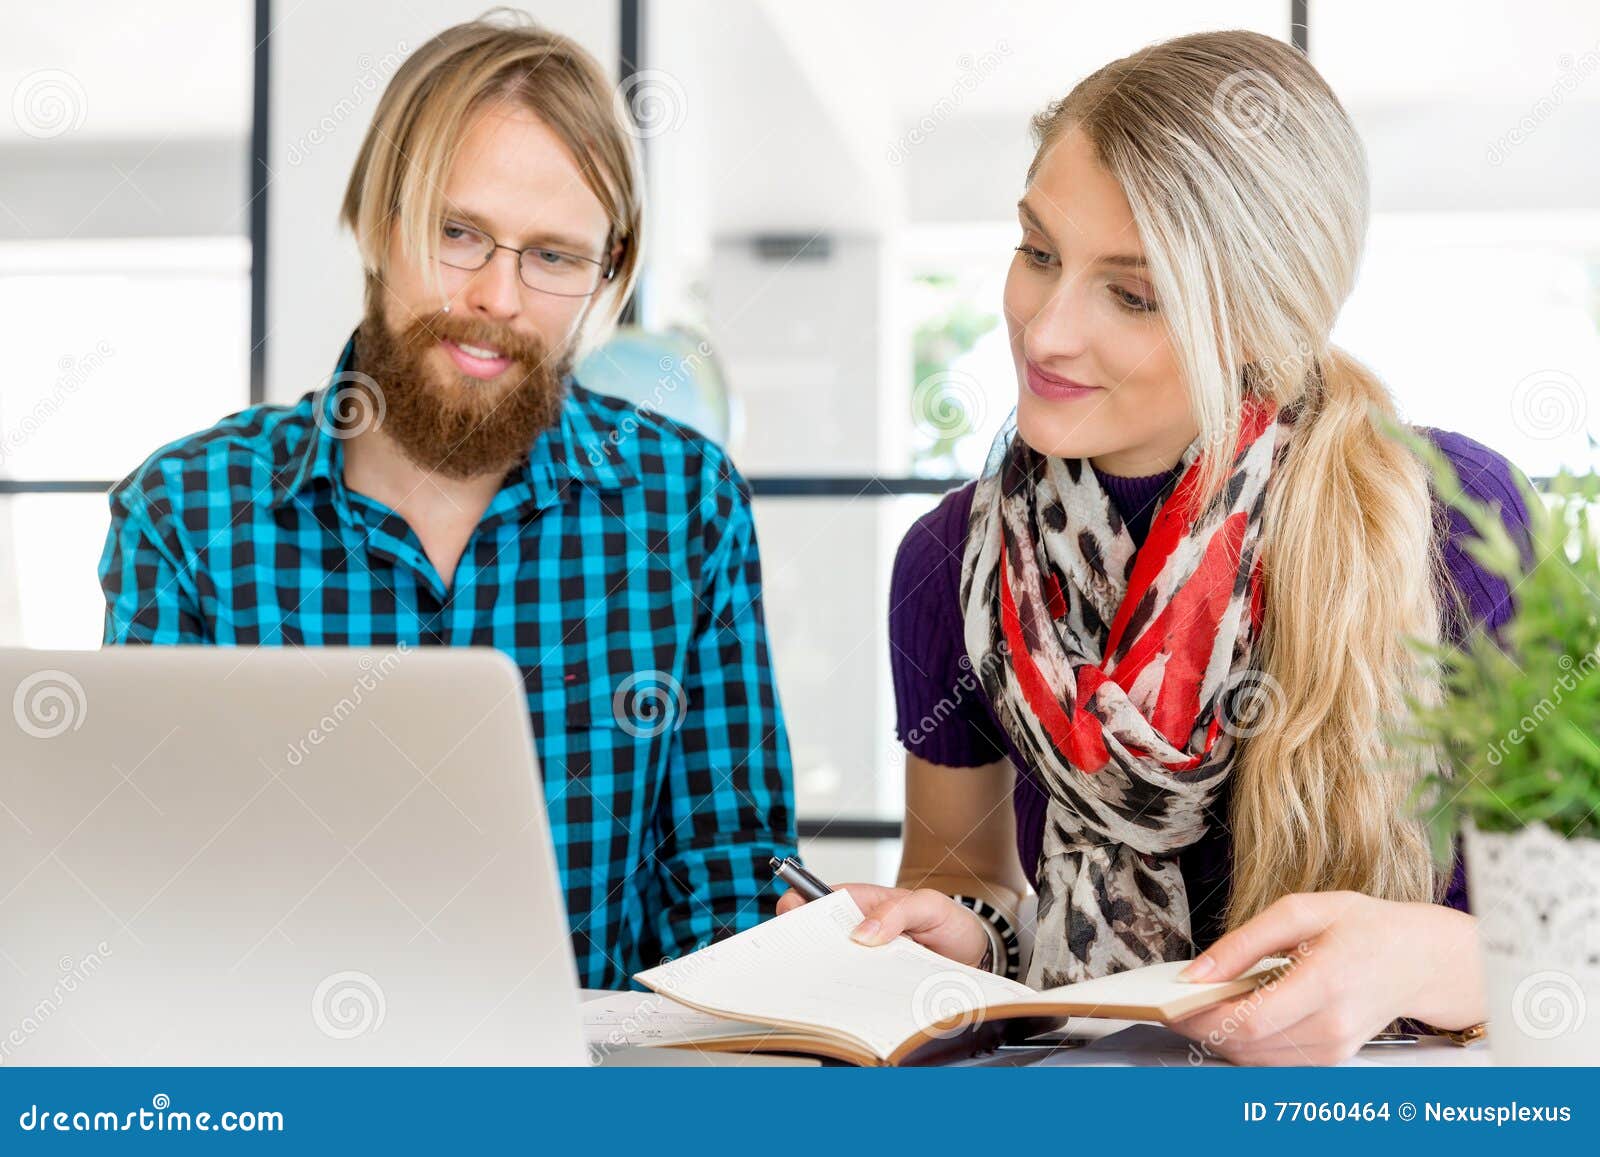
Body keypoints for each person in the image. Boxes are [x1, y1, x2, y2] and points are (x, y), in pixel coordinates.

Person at [779, 29, 1531, 1064]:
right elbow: (973, 884)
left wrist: (1425, 955)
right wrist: (960, 935)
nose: (1043, 332)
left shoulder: (1451, 519)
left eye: (1132, 294)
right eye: (1038, 252)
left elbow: (1569, 943)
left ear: (1265, 321)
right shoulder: (951, 558)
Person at [98, 14, 796, 990]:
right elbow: (149, 885)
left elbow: (728, 878)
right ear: (380, 221)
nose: (496, 297)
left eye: (552, 256)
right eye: (457, 232)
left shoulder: (684, 505)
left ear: (608, 272)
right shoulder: (189, 514)